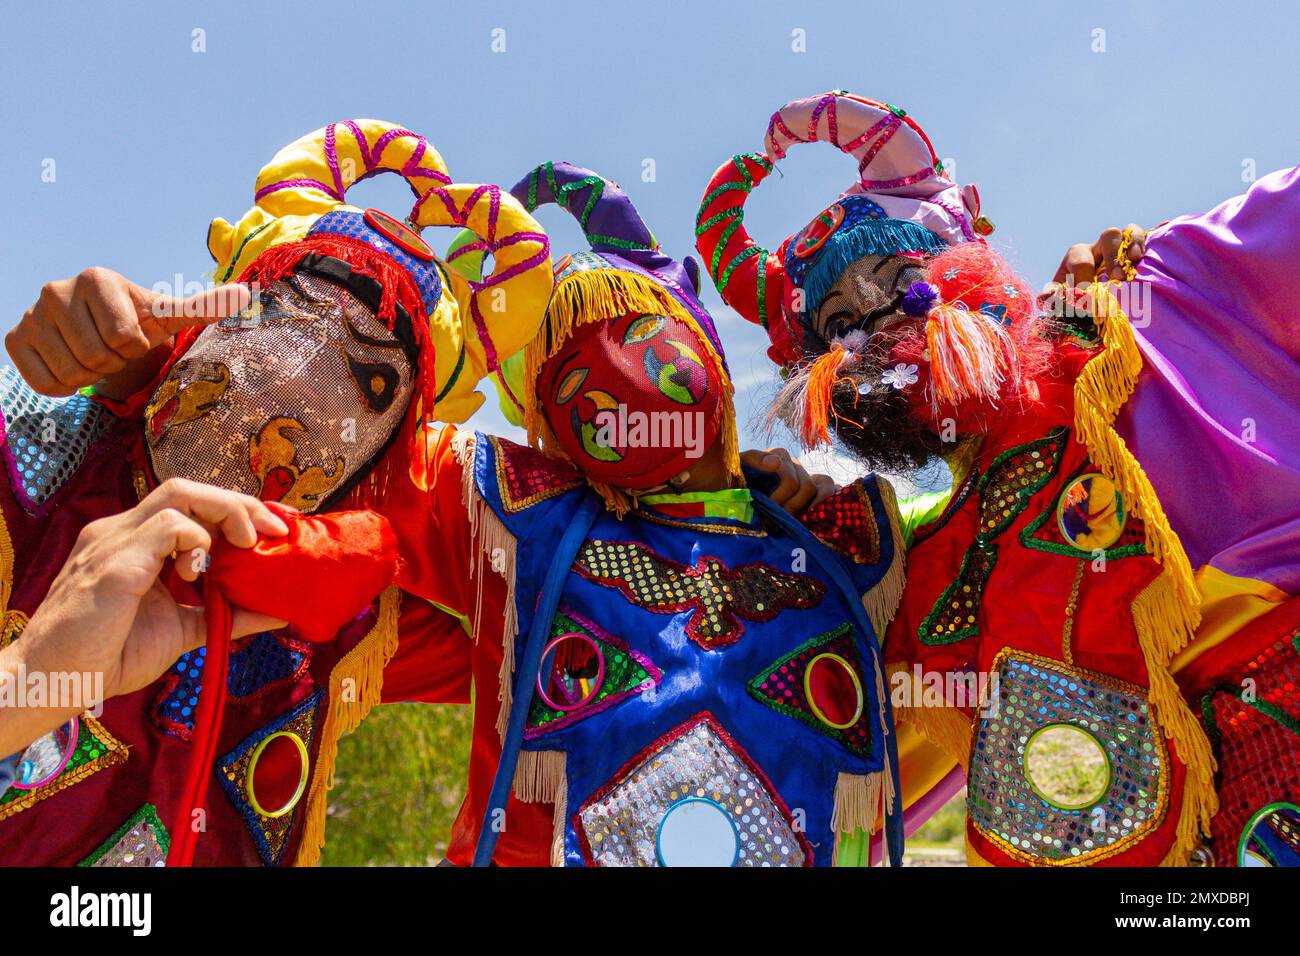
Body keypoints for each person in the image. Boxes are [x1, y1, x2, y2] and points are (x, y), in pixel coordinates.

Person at [696, 90, 1299, 866]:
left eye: (898, 280)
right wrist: (783, 512)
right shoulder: (922, 549)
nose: (876, 328)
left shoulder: (1144, 310)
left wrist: (1163, 269)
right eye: (838, 324)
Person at [0, 118, 555, 866]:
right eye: (281, 313)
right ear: (211, 313)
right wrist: (29, 681)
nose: (296, 380)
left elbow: (564, 617)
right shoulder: (34, 457)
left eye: (371, 382)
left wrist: (720, 493)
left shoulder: (349, 621)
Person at [392, 162, 909, 866]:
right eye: (568, 375)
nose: (616, 380)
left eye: (641, 333)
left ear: (707, 348)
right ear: (545, 423)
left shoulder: (842, 541)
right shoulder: (519, 515)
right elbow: (350, 453)